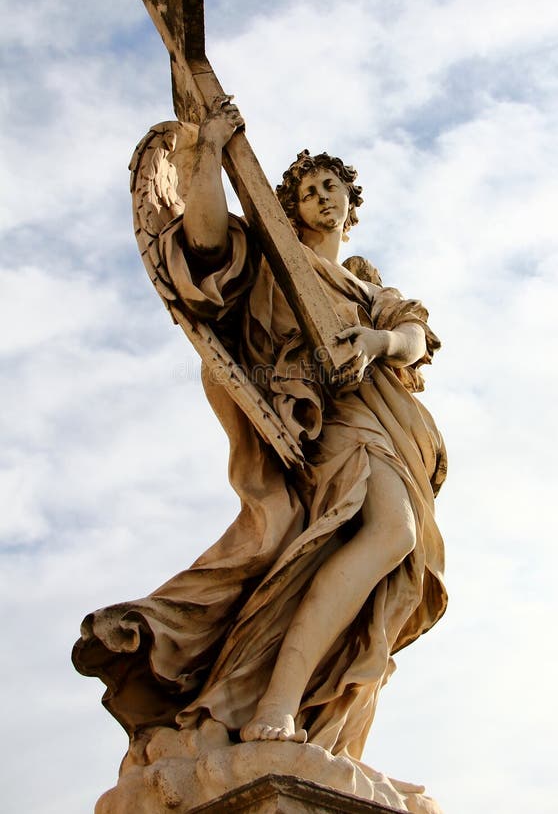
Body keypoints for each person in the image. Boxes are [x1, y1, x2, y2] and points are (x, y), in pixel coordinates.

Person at [73, 100, 447, 761]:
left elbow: (416, 338)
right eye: (307, 190)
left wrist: (380, 340)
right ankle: (275, 701)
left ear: (350, 205)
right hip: (321, 419)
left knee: (350, 560)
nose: (322, 197)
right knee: (391, 532)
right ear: (290, 205)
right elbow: (207, 242)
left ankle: (284, 704)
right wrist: (211, 152)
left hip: (385, 419)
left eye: (332, 187)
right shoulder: (272, 258)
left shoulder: (367, 288)